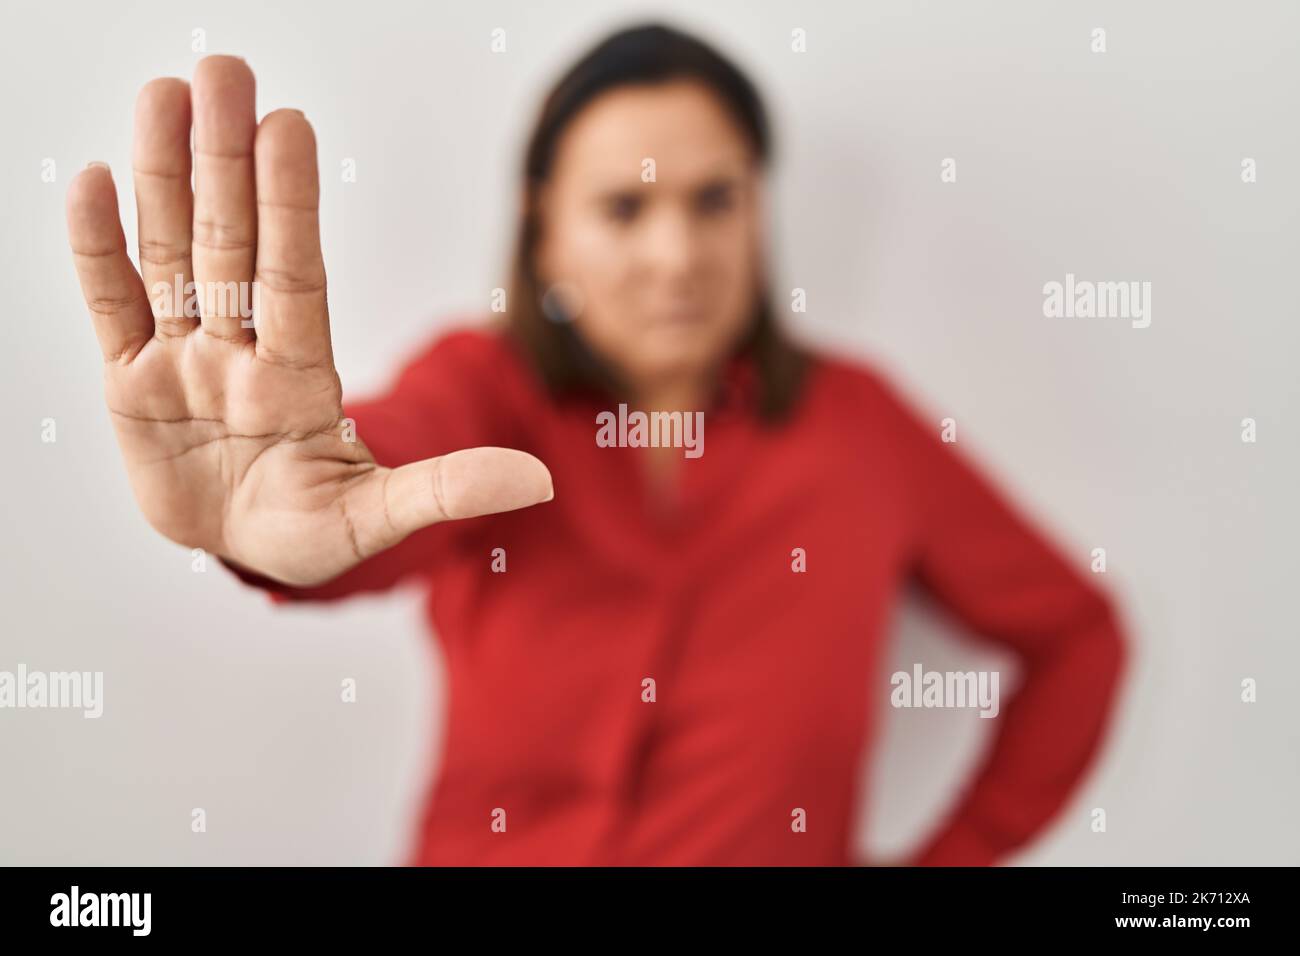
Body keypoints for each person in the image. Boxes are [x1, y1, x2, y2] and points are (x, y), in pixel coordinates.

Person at [65, 23, 1128, 866]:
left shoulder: (861, 429)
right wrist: (272, 512)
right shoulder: (482, 390)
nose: (677, 254)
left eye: (715, 200)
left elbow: (1078, 636)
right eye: (624, 207)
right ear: (546, 229)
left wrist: (959, 856)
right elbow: (379, 481)